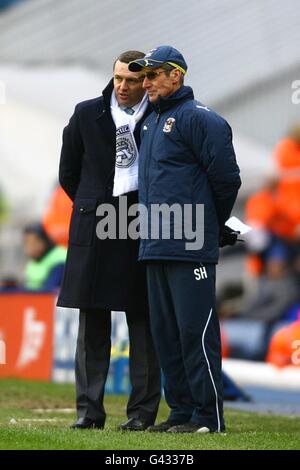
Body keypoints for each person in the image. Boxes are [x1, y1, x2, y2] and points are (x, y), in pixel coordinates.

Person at [129, 45, 241, 433]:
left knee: (195, 332)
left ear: (176, 75)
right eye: (144, 77)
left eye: (153, 75)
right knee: (167, 334)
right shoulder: (148, 124)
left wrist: (211, 224)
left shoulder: (201, 120)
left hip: (190, 244)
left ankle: (207, 418)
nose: (146, 84)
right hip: (155, 243)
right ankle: (180, 412)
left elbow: (227, 179)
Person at [58, 51, 161, 431]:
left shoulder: (160, 115)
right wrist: (94, 206)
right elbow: (68, 171)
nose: (122, 86)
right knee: (92, 324)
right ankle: (89, 414)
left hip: (141, 224)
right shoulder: (86, 113)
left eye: (132, 81)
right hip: (98, 224)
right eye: (118, 78)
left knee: (144, 323)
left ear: (145, 81)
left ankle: (141, 416)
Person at [23, 222, 67, 291]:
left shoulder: (59, 258)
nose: (28, 247)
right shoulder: (35, 258)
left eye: (32, 243)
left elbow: (48, 291)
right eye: (26, 243)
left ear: (42, 241)